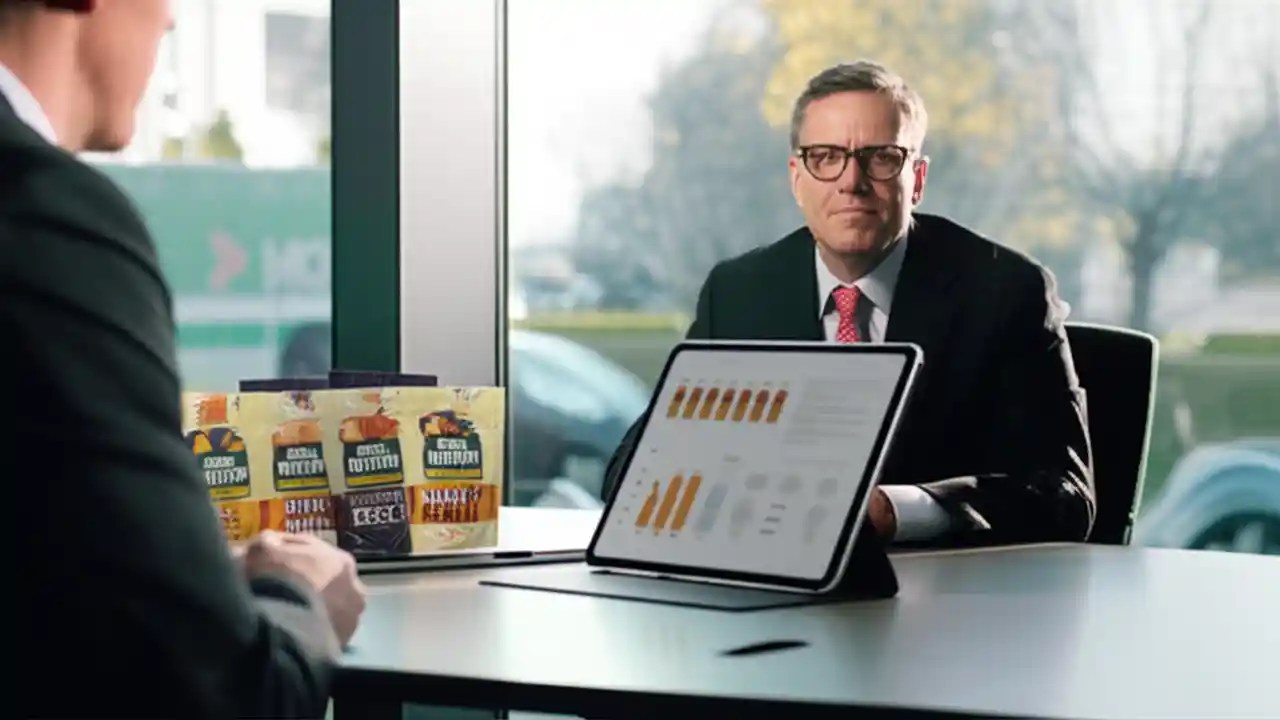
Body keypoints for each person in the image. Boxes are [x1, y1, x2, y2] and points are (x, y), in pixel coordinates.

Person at [2, 1, 365, 717]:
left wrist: (172, 575)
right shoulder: (40, 212)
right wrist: (299, 597)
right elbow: (216, 694)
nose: (170, 19)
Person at [602, 60, 1094, 548]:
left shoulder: (1005, 292)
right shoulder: (738, 294)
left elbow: (1066, 495)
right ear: (797, 178)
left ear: (918, 179)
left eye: (881, 158)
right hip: (772, 569)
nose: (851, 182)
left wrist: (899, 511)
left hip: (943, 584)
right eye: (825, 157)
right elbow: (633, 471)